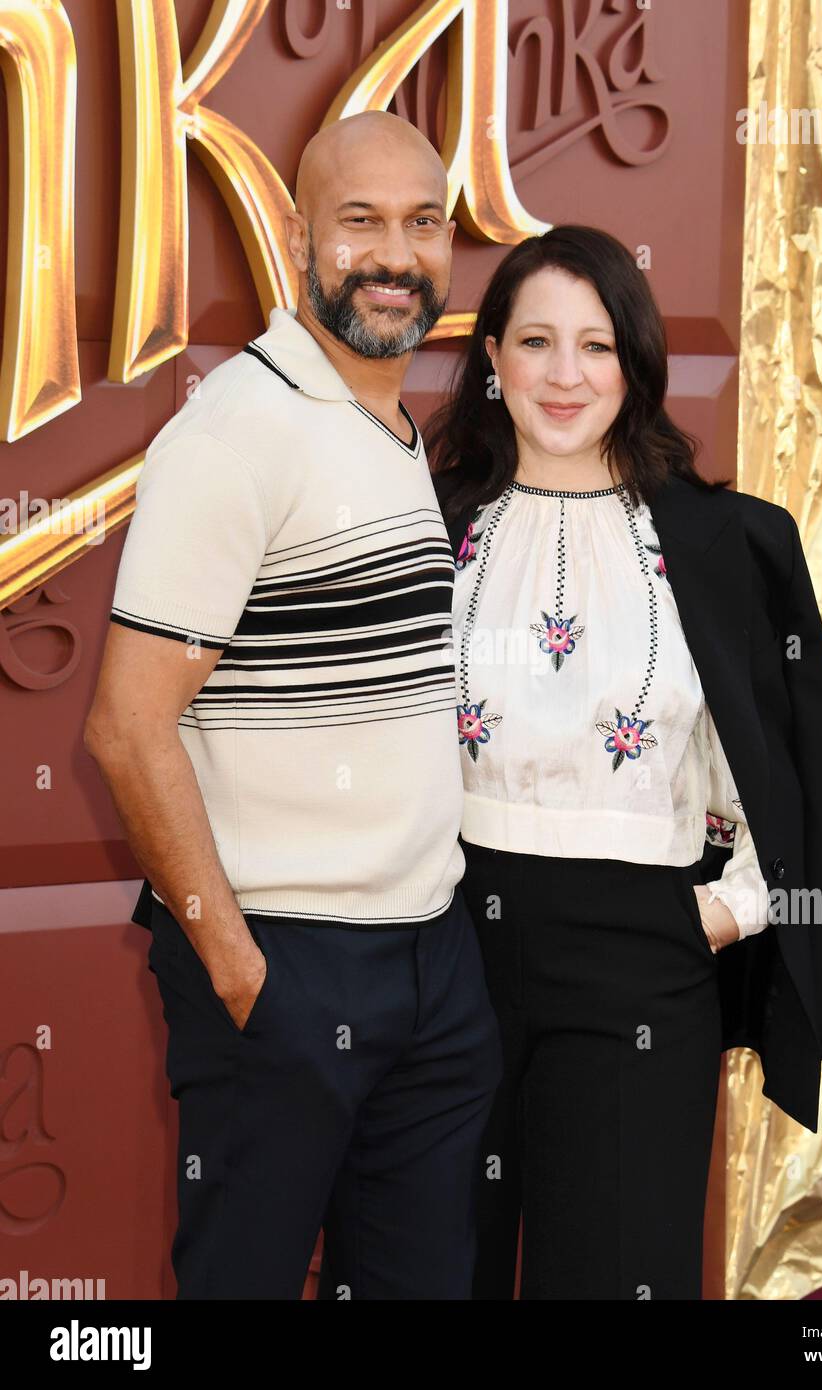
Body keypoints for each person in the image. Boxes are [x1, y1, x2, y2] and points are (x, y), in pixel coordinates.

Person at [83, 111, 501, 1300]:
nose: (393, 253)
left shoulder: (389, 425)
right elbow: (124, 725)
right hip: (286, 968)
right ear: (295, 233)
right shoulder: (236, 433)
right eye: (358, 221)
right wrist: (233, 961)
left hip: (431, 967)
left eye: (422, 223)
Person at [424, 224, 822, 1300]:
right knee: (427, 1276)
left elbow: (793, 780)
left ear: (635, 361)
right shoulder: (426, 525)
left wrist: (719, 915)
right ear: (491, 358)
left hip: (640, 962)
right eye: (535, 341)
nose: (565, 375)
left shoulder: (728, 542)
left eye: (596, 344)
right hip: (439, 960)